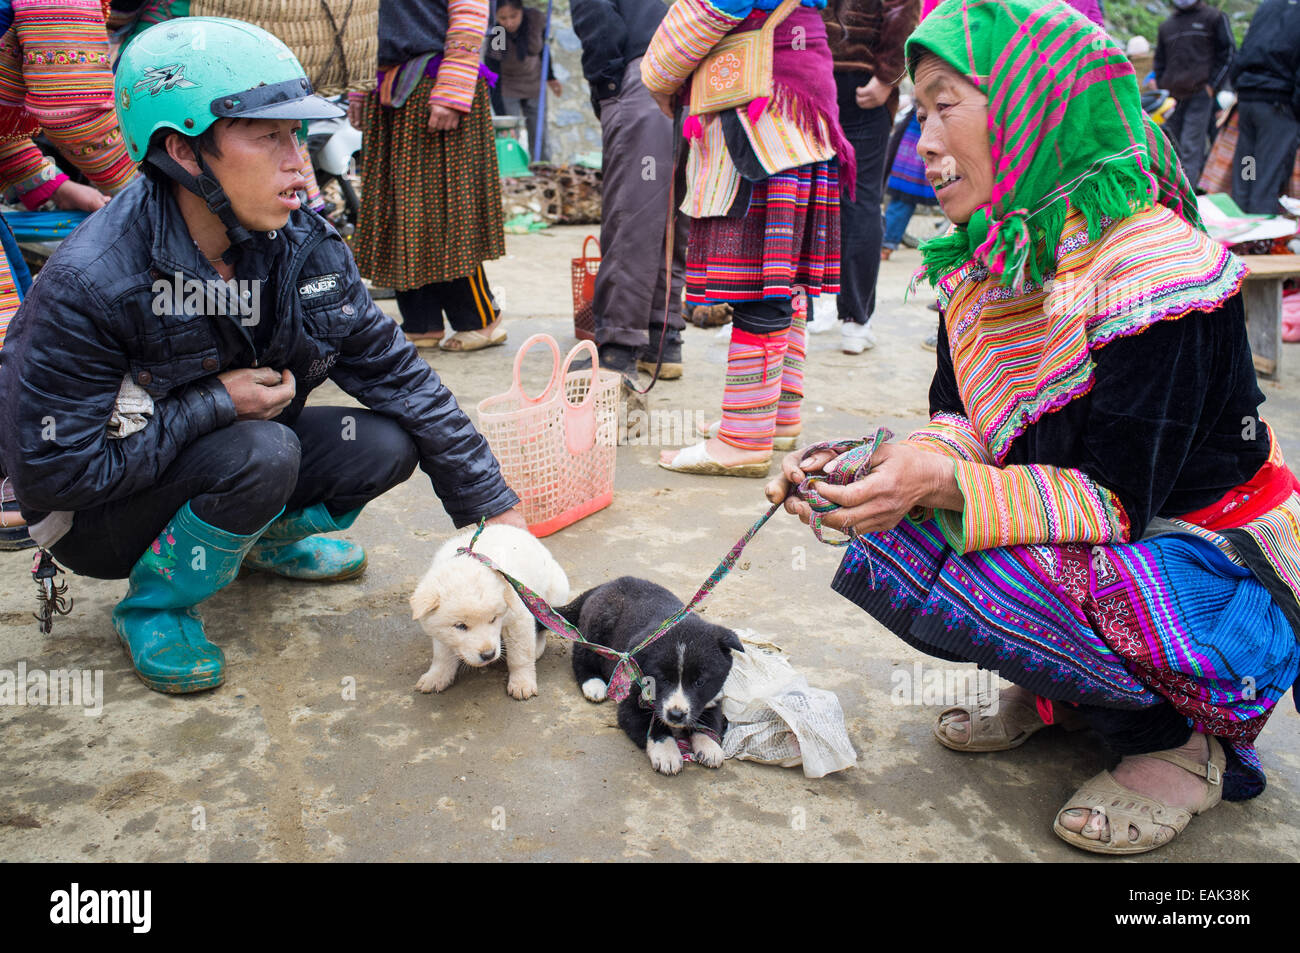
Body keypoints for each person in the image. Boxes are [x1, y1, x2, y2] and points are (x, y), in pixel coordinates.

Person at [767, 0, 1300, 855]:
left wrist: (939, 481)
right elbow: (960, 425)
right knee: (898, 521)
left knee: (994, 537)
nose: (924, 140)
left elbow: (1119, 504)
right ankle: (1060, 691)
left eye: (948, 103)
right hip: (1105, 540)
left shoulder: (1152, 267)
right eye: (920, 110)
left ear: (1035, 102)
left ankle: (1177, 742)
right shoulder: (990, 265)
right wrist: (863, 468)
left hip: (1210, 568)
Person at [0, 18, 524, 694]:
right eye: (268, 136)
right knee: (262, 452)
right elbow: (57, 476)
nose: (299, 164)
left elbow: (397, 373)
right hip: (93, 517)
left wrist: (493, 509)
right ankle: (157, 603)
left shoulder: (302, 243)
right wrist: (218, 401)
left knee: (388, 441)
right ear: (184, 153)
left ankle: (258, 540)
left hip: (227, 450)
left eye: (298, 135)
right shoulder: (90, 283)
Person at [644, 0, 854, 477]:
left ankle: (742, 441)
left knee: (760, 280)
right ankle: (773, 416)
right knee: (782, 277)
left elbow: (716, 8)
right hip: (796, 95)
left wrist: (659, 73)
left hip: (764, 107)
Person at [351, 0, 508, 351]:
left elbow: (470, 12)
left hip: (436, 85)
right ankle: (422, 322)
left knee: (442, 213)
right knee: (396, 210)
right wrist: (360, 88)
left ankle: (480, 320)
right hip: (388, 85)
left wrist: (452, 90)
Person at [571, 0, 688, 384]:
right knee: (673, 210)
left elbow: (597, 20)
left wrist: (606, 87)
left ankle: (618, 350)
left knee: (634, 213)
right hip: (696, 73)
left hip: (646, 75)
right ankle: (663, 340)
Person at [825, 0, 919, 356]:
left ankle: (799, 311)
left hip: (815, 72)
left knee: (807, 193)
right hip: (860, 78)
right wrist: (887, 76)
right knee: (859, 199)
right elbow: (903, 12)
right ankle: (855, 322)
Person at [1227, 0, 1300, 215]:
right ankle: (1259, 240)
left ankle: (1240, 227)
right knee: (1267, 176)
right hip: (1278, 105)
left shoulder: (1267, 6)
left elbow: (1246, 47)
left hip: (1249, 99)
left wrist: (1240, 86)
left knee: (1248, 169)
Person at [1154, 0, 1234, 191]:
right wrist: (1161, 85)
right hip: (1172, 96)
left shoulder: (1213, 17)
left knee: (1191, 146)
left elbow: (1228, 52)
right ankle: (1169, 192)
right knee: (1169, 145)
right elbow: (1159, 60)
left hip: (1200, 92)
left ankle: (1187, 196)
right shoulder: (1167, 25)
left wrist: (1212, 85)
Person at [488, 0, 560, 163]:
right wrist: (499, 107)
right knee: (510, 133)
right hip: (508, 87)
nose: (509, 22)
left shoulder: (535, 20)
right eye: (503, 18)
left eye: (514, 16)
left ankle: (542, 167)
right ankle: (513, 167)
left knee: (539, 133)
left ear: (521, 11)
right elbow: (493, 68)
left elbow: (544, 53)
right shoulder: (497, 31)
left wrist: (551, 77)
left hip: (534, 84)